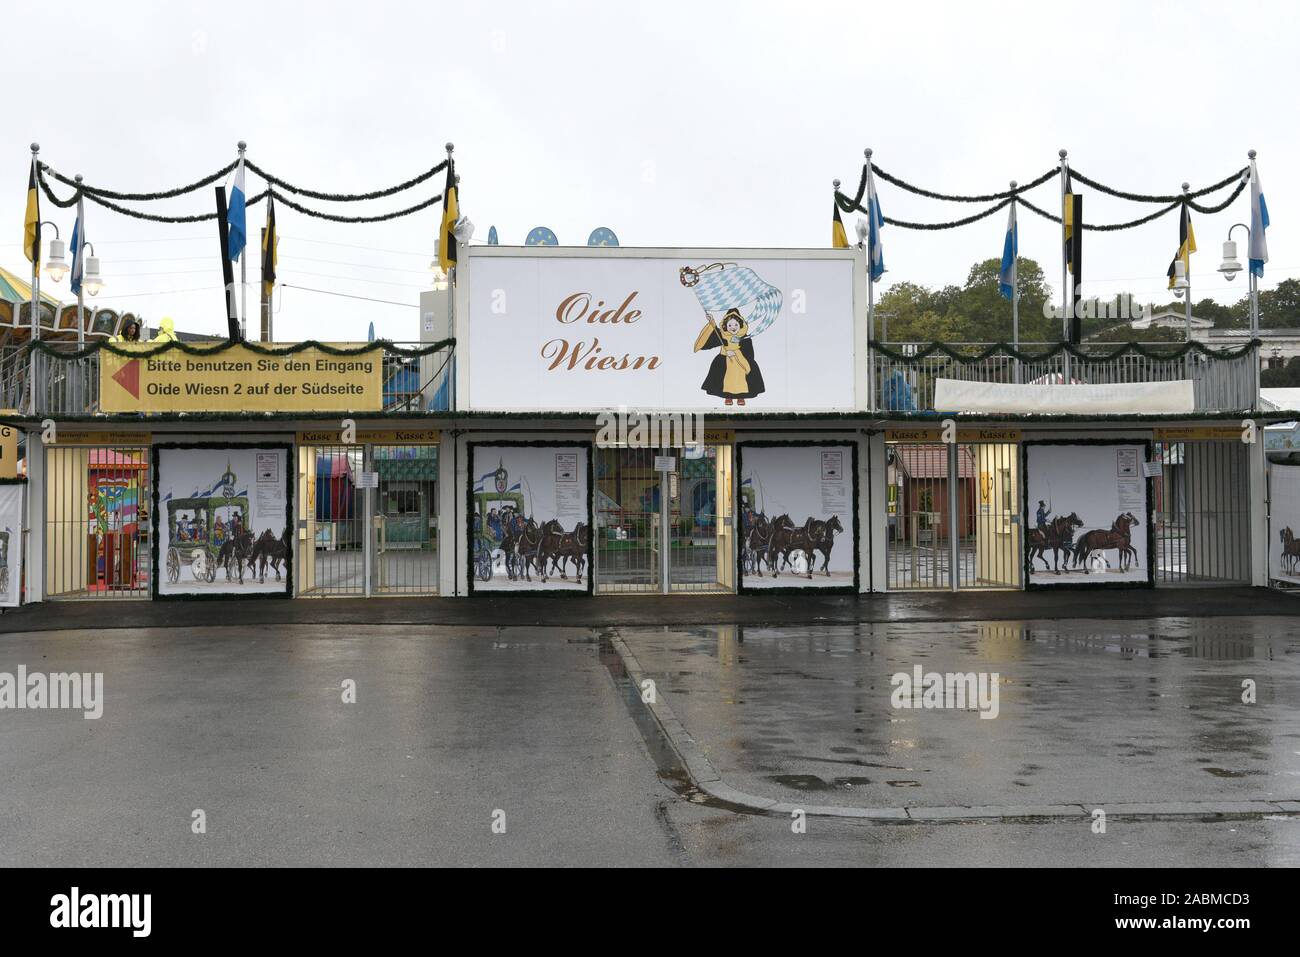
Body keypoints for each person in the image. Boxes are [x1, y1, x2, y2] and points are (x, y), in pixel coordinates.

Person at [693, 308, 765, 406]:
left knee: (741, 379)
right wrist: (711, 321)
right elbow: (711, 337)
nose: (733, 327)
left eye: (736, 324)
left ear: (741, 325)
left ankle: (741, 397)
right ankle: (728, 397)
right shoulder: (722, 335)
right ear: (725, 326)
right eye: (730, 325)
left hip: (741, 362)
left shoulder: (745, 338)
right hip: (724, 360)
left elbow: (749, 353)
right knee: (724, 379)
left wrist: (736, 353)